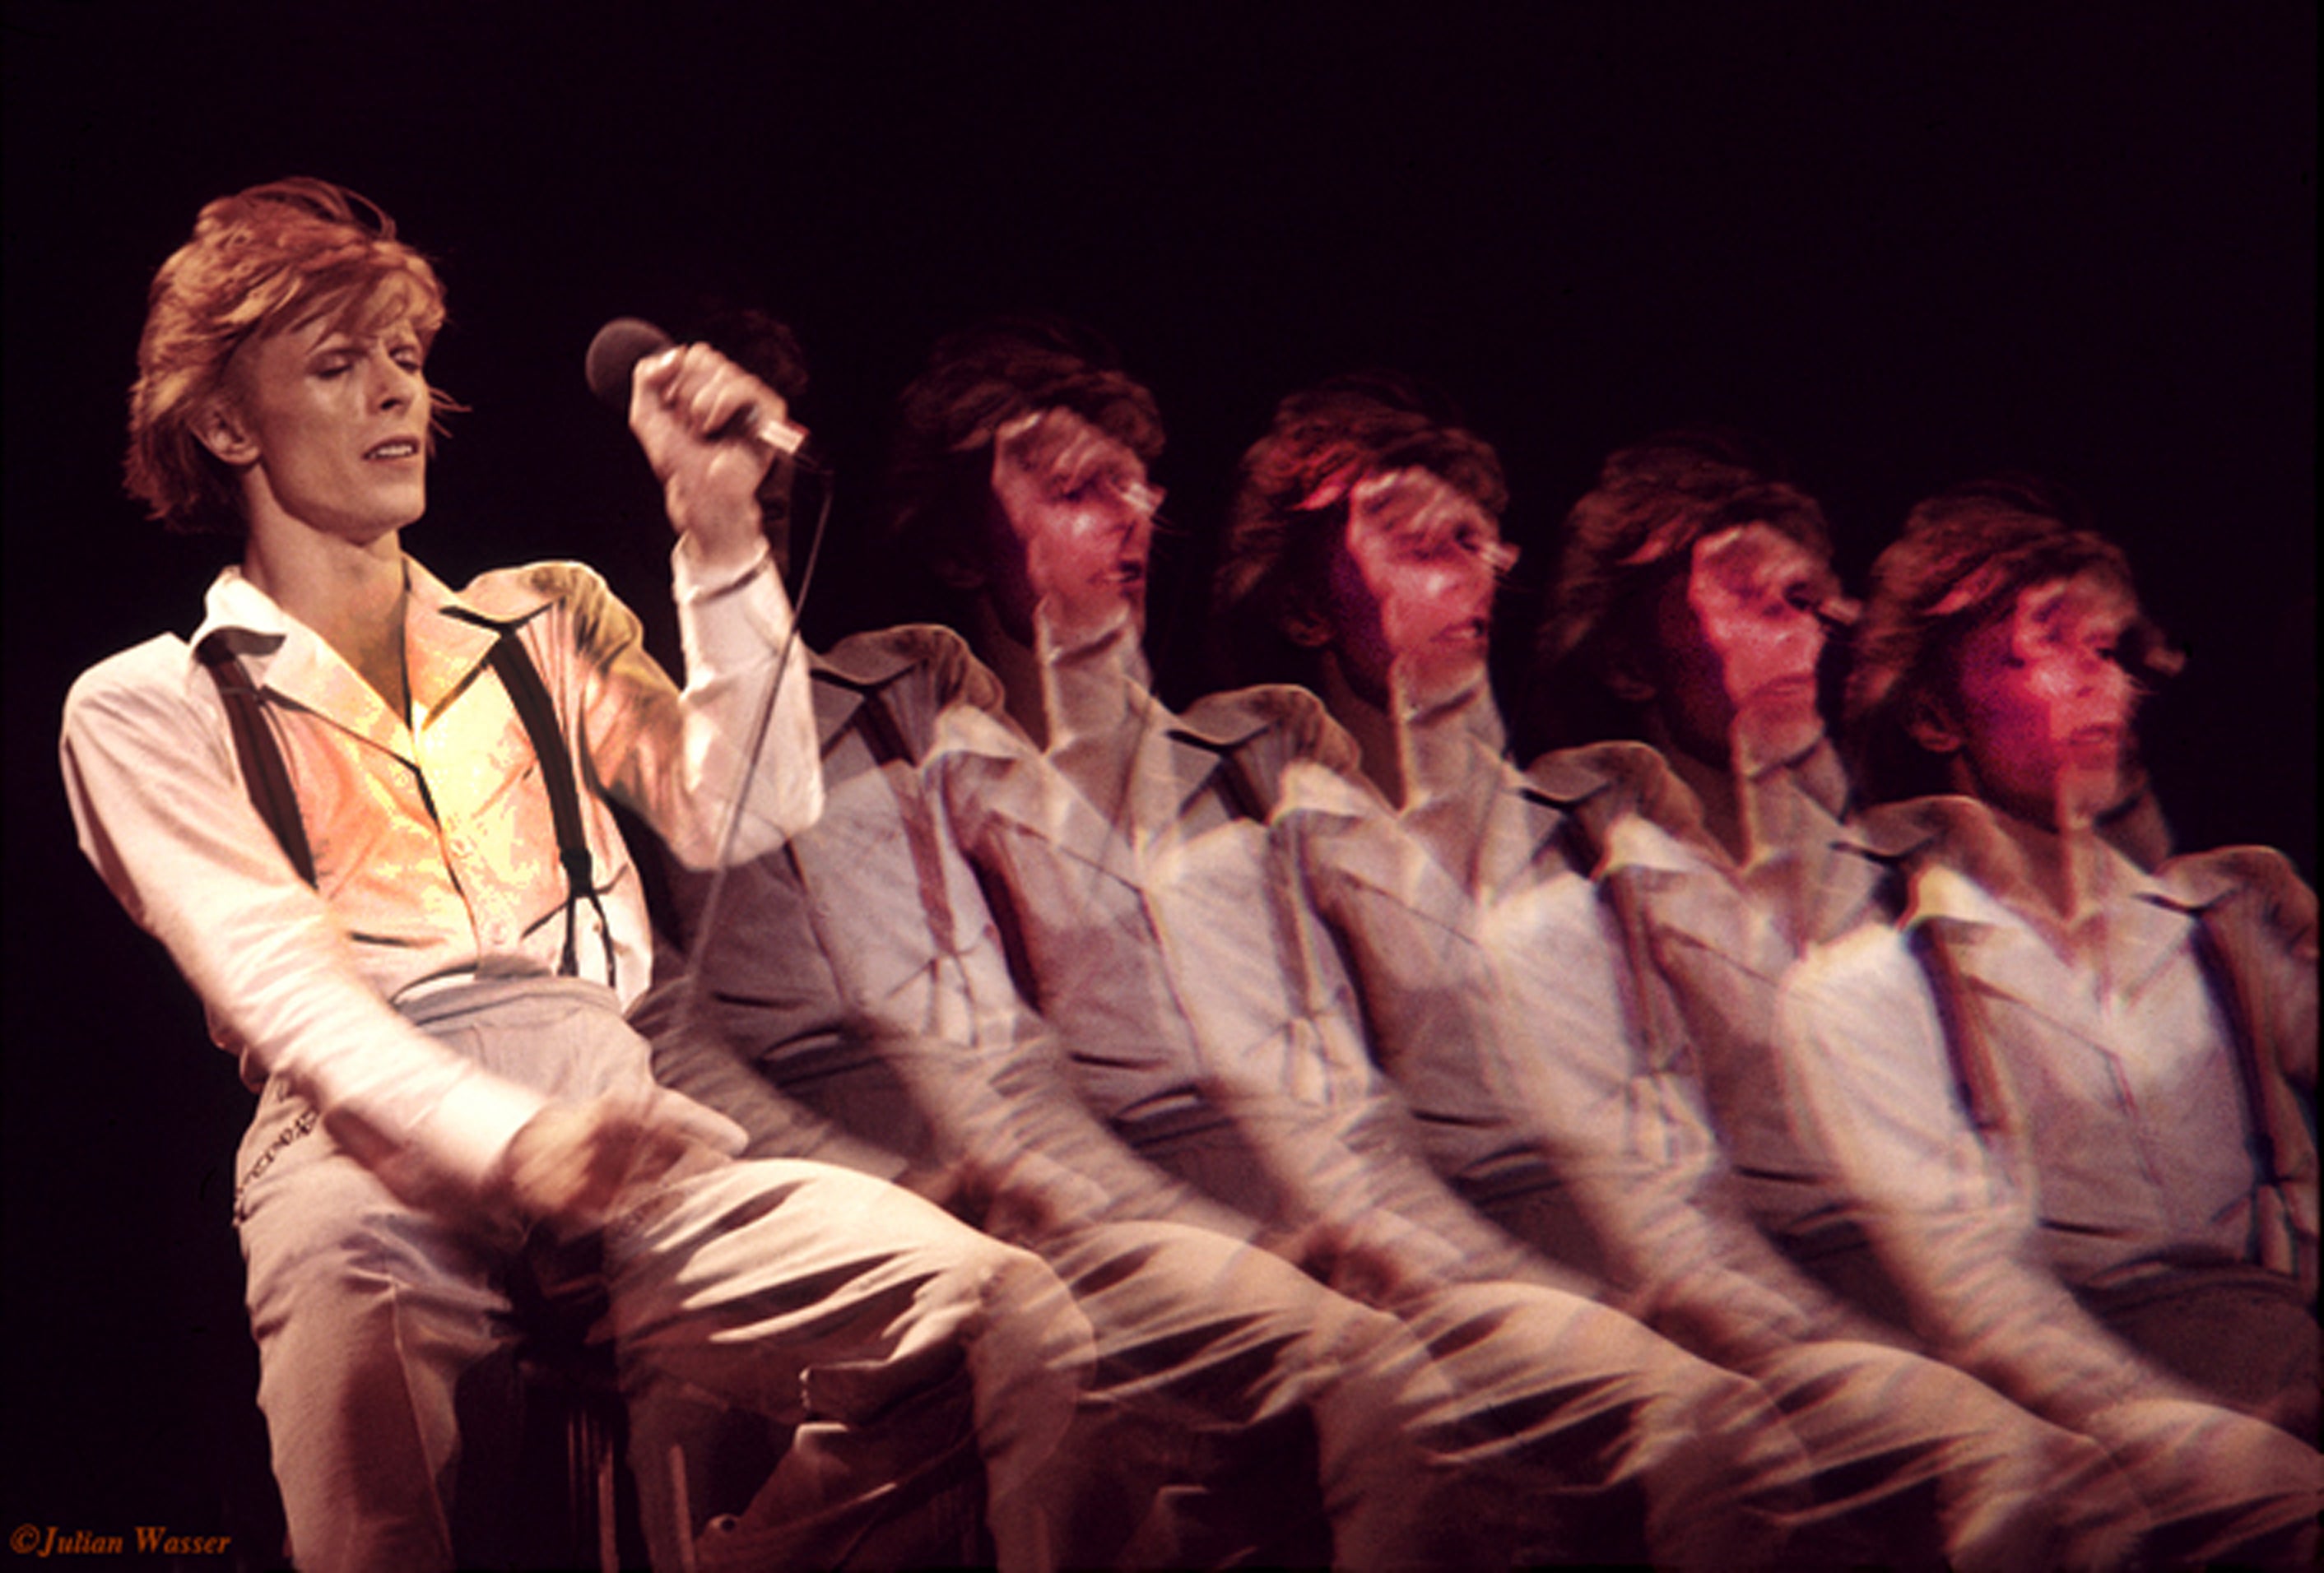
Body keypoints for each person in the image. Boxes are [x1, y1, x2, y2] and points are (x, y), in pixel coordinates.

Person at [59, 179, 1091, 1573]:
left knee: (1007, 1320)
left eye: (406, 357)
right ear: (229, 425)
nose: (397, 393)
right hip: (355, 1148)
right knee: (377, 1521)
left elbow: (747, 805)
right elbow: (279, 981)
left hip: (614, 1103)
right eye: (338, 363)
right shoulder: (147, 704)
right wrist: (507, 1139)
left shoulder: (545, 620)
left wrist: (718, 531)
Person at [1218, 383, 2310, 1566]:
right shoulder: (1563, 909)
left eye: (1807, 601)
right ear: (1632, 663)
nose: (1803, 633)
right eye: (1751, 600)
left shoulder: (1917, 890)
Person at [855, 320, 1871, 1567]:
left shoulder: (1561, 836)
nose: (1476, 579)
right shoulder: (1195, 803)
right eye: (1424, 547)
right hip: (1235, 1251)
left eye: (1479, 545)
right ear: (1302, 602)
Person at [632, 317, 1509, 1570]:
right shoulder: (844, 727)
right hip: (932, 1218)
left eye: (1138, 489)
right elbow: (774, 1039)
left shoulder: (1196, 771)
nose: (1132, 520)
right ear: (956, 541)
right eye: (1077, 489)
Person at [1764, 479, 2323, 1552]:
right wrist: (2223, 1427)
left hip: (2283, 1345)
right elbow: (1987, 1306)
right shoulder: (1866, 991)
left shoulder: (2216, 934)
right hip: (2096, 1414)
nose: (2094, 680)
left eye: (2104, 649)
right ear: (1935, 715)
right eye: (2044, 648)